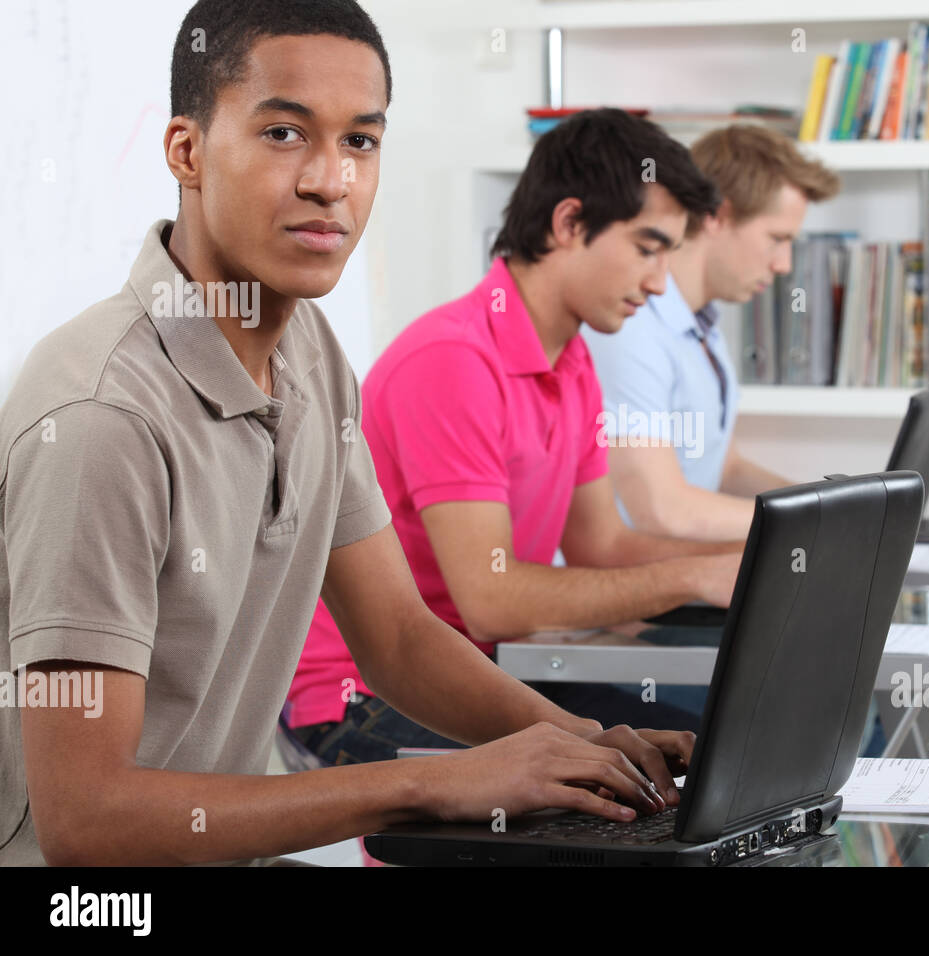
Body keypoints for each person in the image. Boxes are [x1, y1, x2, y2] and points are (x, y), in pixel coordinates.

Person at [0, 1, 694, 868]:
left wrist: (590, 745)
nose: (331, 180)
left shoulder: (308, 354)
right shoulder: (102, 416)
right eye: (286, 134)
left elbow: (398, 637)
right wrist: (430, 780)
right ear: (185, 151)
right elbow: (86, 822)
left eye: (360, 142)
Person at [288, 109, 746, 763]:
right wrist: (694, 578)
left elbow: (601, 545)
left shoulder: (573, 360)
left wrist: (751, 557)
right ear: (568, 223)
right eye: (647, 249)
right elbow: (493, 602)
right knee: (635, 791)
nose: (658, 283)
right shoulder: (454, 359)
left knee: (707, 755)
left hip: (477, 679)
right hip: (361, 699)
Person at [582, 124, 841, 542]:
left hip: (678, 577)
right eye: (777, 239)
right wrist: (818, 525)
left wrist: (829, 504)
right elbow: (663, 512)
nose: (783, 265)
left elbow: (723, 469)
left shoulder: (703, 327)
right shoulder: (630, 328)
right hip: (627, 593)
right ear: (717, 215)